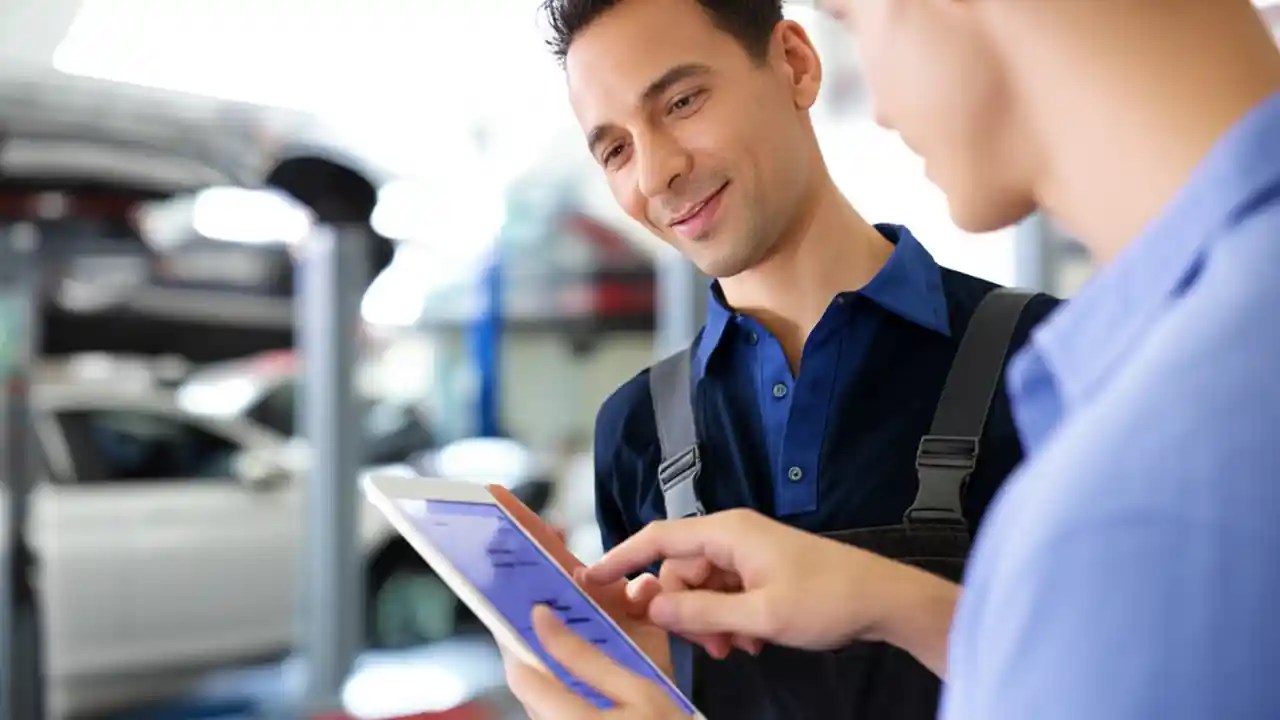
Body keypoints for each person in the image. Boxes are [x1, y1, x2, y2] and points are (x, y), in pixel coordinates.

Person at [504, 0, 1280, 718]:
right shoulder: (634, 431)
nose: (654, 172)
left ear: (798, 64)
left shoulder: (1056, 357)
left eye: (682, 102)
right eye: (613, 149)